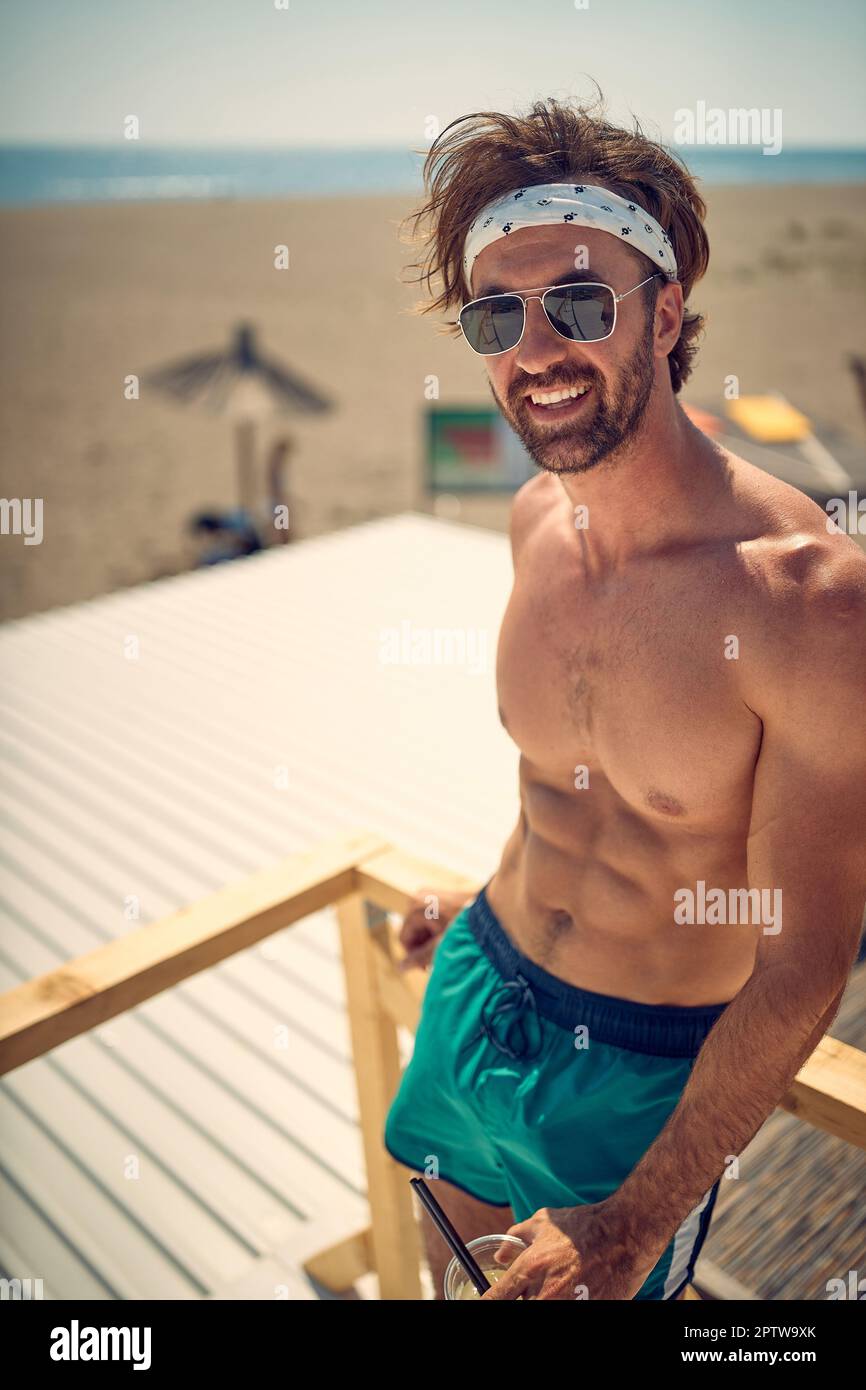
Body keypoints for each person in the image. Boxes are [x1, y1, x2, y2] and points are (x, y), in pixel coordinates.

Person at [384, 94, 866, 1300]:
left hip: (640, 1078)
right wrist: (485, 898)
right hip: (476, 987)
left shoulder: (805, 600)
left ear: (666, 314)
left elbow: (806, 959)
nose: (534, 351)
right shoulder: (534, 520)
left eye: (579, 303)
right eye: (495, 316)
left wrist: (629, 1221)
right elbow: (563, 779)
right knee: (449, 1282)